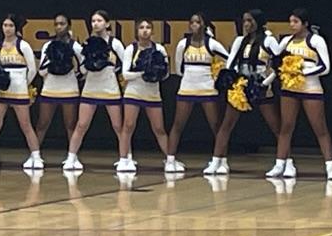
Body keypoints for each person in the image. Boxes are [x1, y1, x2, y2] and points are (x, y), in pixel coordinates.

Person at [269, 8, 332, 181]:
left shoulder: (316, 40)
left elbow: (325, 66)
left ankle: (330, 167)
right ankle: (279, 163)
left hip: (311, 87)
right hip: (289, 88)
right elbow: (276, 61)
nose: (292, 25)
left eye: (296, 22)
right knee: (286, 126)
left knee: (320, 128)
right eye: (290, 22)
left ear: (305, 23)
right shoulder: (286, 41)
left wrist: (302, 72)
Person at [213, 7, 283, 177]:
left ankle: (284, 162)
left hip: (261, 87)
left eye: (250, 21)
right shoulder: (239, 41)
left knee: (276, 126)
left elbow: (279, 65)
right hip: (241, 87)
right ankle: (218, 161)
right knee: (226, 124)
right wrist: (232, 80)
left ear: (258, 22)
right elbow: (230, 63)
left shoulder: (269, 41)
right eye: (244, 21)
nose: (246, 24)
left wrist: (265, 83)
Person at [62, 11, 125, 174]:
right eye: (93, 20)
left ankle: (126, 158)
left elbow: (125, 65)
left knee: (118, 126)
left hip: (110, 88)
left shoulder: (115, 43)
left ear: (107, 23)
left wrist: (110, 64)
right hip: (90, 88)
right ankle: (71, 157)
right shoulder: (87, 43)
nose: (95, 23)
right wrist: (92, 64)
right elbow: (82, 68)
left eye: (99, 20)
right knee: (81, 124)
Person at [166, 12, 226, 176]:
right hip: (187, 87)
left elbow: (228, 60)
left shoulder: (212, 43)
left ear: (203, 25)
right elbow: (178, 67)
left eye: (197, 22)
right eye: (191, 22)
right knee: (178, 124)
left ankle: (221, 161)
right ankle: (170, 160)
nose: (194, 25)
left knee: (216, 125)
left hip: (207, 88)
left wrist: (217, 75)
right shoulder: (182, 44)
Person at [0, 15, 45, 172]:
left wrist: (25, 84)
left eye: (10, 25)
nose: (7, 28)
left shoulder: (23, 46)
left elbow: (32, 69)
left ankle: (36, 156)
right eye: (5, 25)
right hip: (3, 90)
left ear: (16, 28)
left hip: (19, 89)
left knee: (25, 124)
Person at [118, 19, 172, 172]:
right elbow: (125, 74)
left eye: (148, 27)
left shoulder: (159, 49)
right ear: (136, 31)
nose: (145, 30)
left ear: (153, 31)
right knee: (128, 126)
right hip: (133, 93)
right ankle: (124, 159)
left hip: (153, 94)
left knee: (159, 128)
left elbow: (166, 73)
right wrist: (143, 72)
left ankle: (169, 159)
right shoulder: (131, 49)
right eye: (141, 27)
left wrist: (156, 73)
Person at [34, 13, 83, 156]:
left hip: (69, 90)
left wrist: (73, 72)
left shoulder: (75, 46)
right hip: (50, 89)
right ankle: (35, 155)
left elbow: (85, 67)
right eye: (56, 24)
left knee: (70, 125)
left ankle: (72, 157)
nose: (59, 27)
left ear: (69, 26)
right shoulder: (48, 46)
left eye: (62, 24)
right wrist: (52, 62)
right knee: (42, 123)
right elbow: (41, 71)